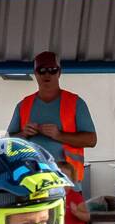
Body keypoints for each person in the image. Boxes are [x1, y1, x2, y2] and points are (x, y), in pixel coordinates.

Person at [6, 52, 97, 182]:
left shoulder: (76, 103)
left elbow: (91, 140)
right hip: (31, 182)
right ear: (35, 74)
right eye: (42, 70)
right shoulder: (23, 105)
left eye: (52, 70)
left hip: (67, 183)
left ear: (59, 73)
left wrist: (58, 135)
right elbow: (7, 144)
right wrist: (23, 134)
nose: (47, 74)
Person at [58, 159, 91, 224]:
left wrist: (76, 212)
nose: (63, 180)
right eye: (60, 175)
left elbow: (88, 217)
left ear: (72, 181)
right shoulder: (52, 198)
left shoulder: (76, 197)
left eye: (66, 177)